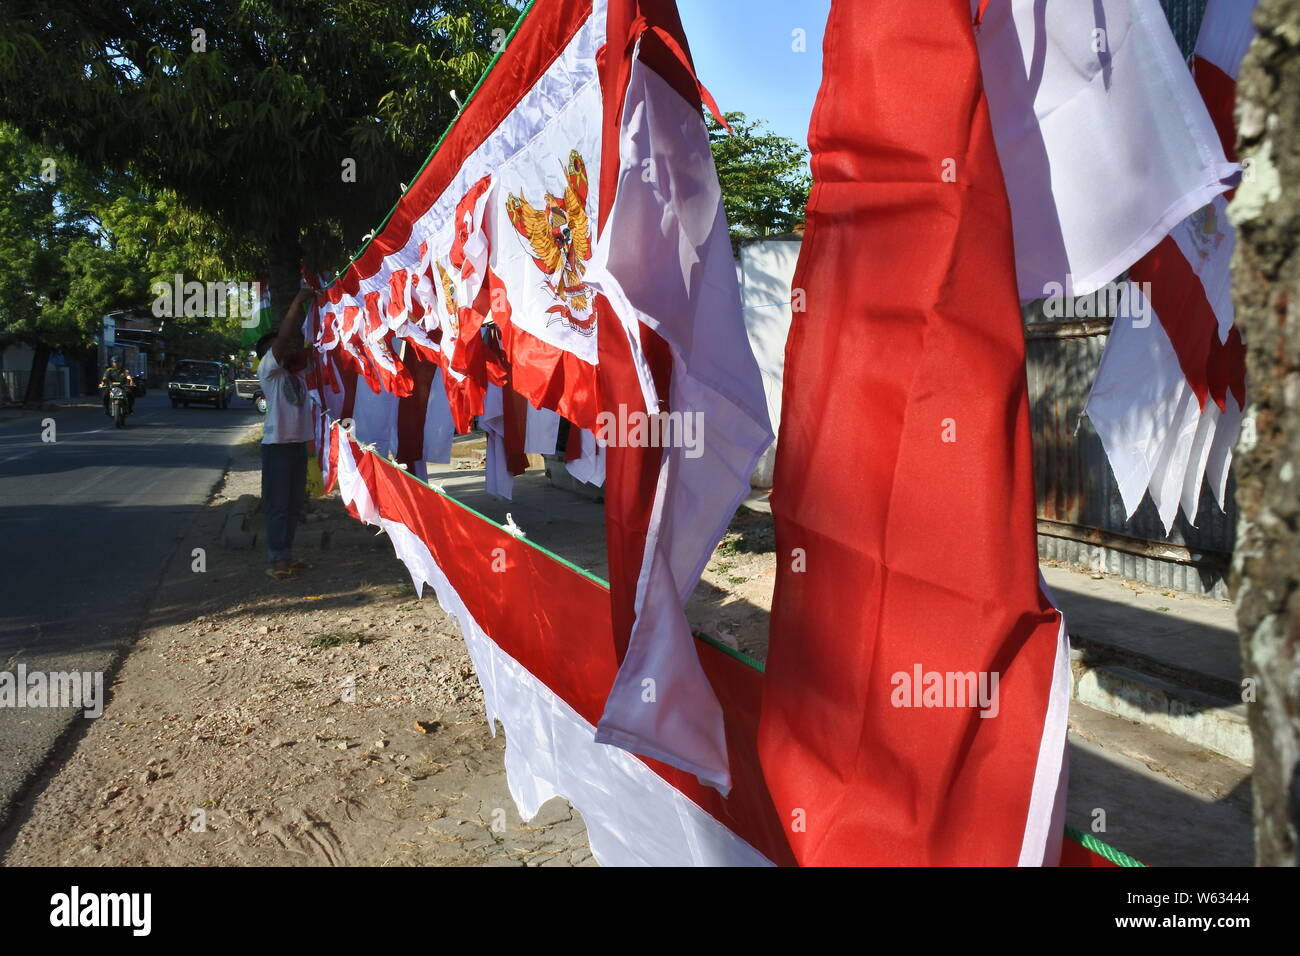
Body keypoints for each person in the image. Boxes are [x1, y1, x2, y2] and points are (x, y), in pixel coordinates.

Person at [256, 286, 316, 581]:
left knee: (293, 506)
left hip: (296, 447)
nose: (287, 349)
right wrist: (297, 300)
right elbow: (283, 338)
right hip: (277, 447)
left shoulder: (297, 374)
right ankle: (277, 558)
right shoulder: (269, 371)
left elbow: (315, 344)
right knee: (278, 505)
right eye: (280, 348)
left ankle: (286, 555)